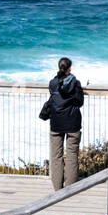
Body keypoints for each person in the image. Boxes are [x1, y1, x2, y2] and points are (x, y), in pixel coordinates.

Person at [45, 57, 84, 190]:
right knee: (72, 154)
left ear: (59, 67)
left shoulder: (52, 83)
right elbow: (80, 102)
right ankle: (70, 188)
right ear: (70, 68)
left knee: (56, 156)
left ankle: (57, 189)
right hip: (73, 122)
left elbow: (54, 97)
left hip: (56, 122)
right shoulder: (76, 83)